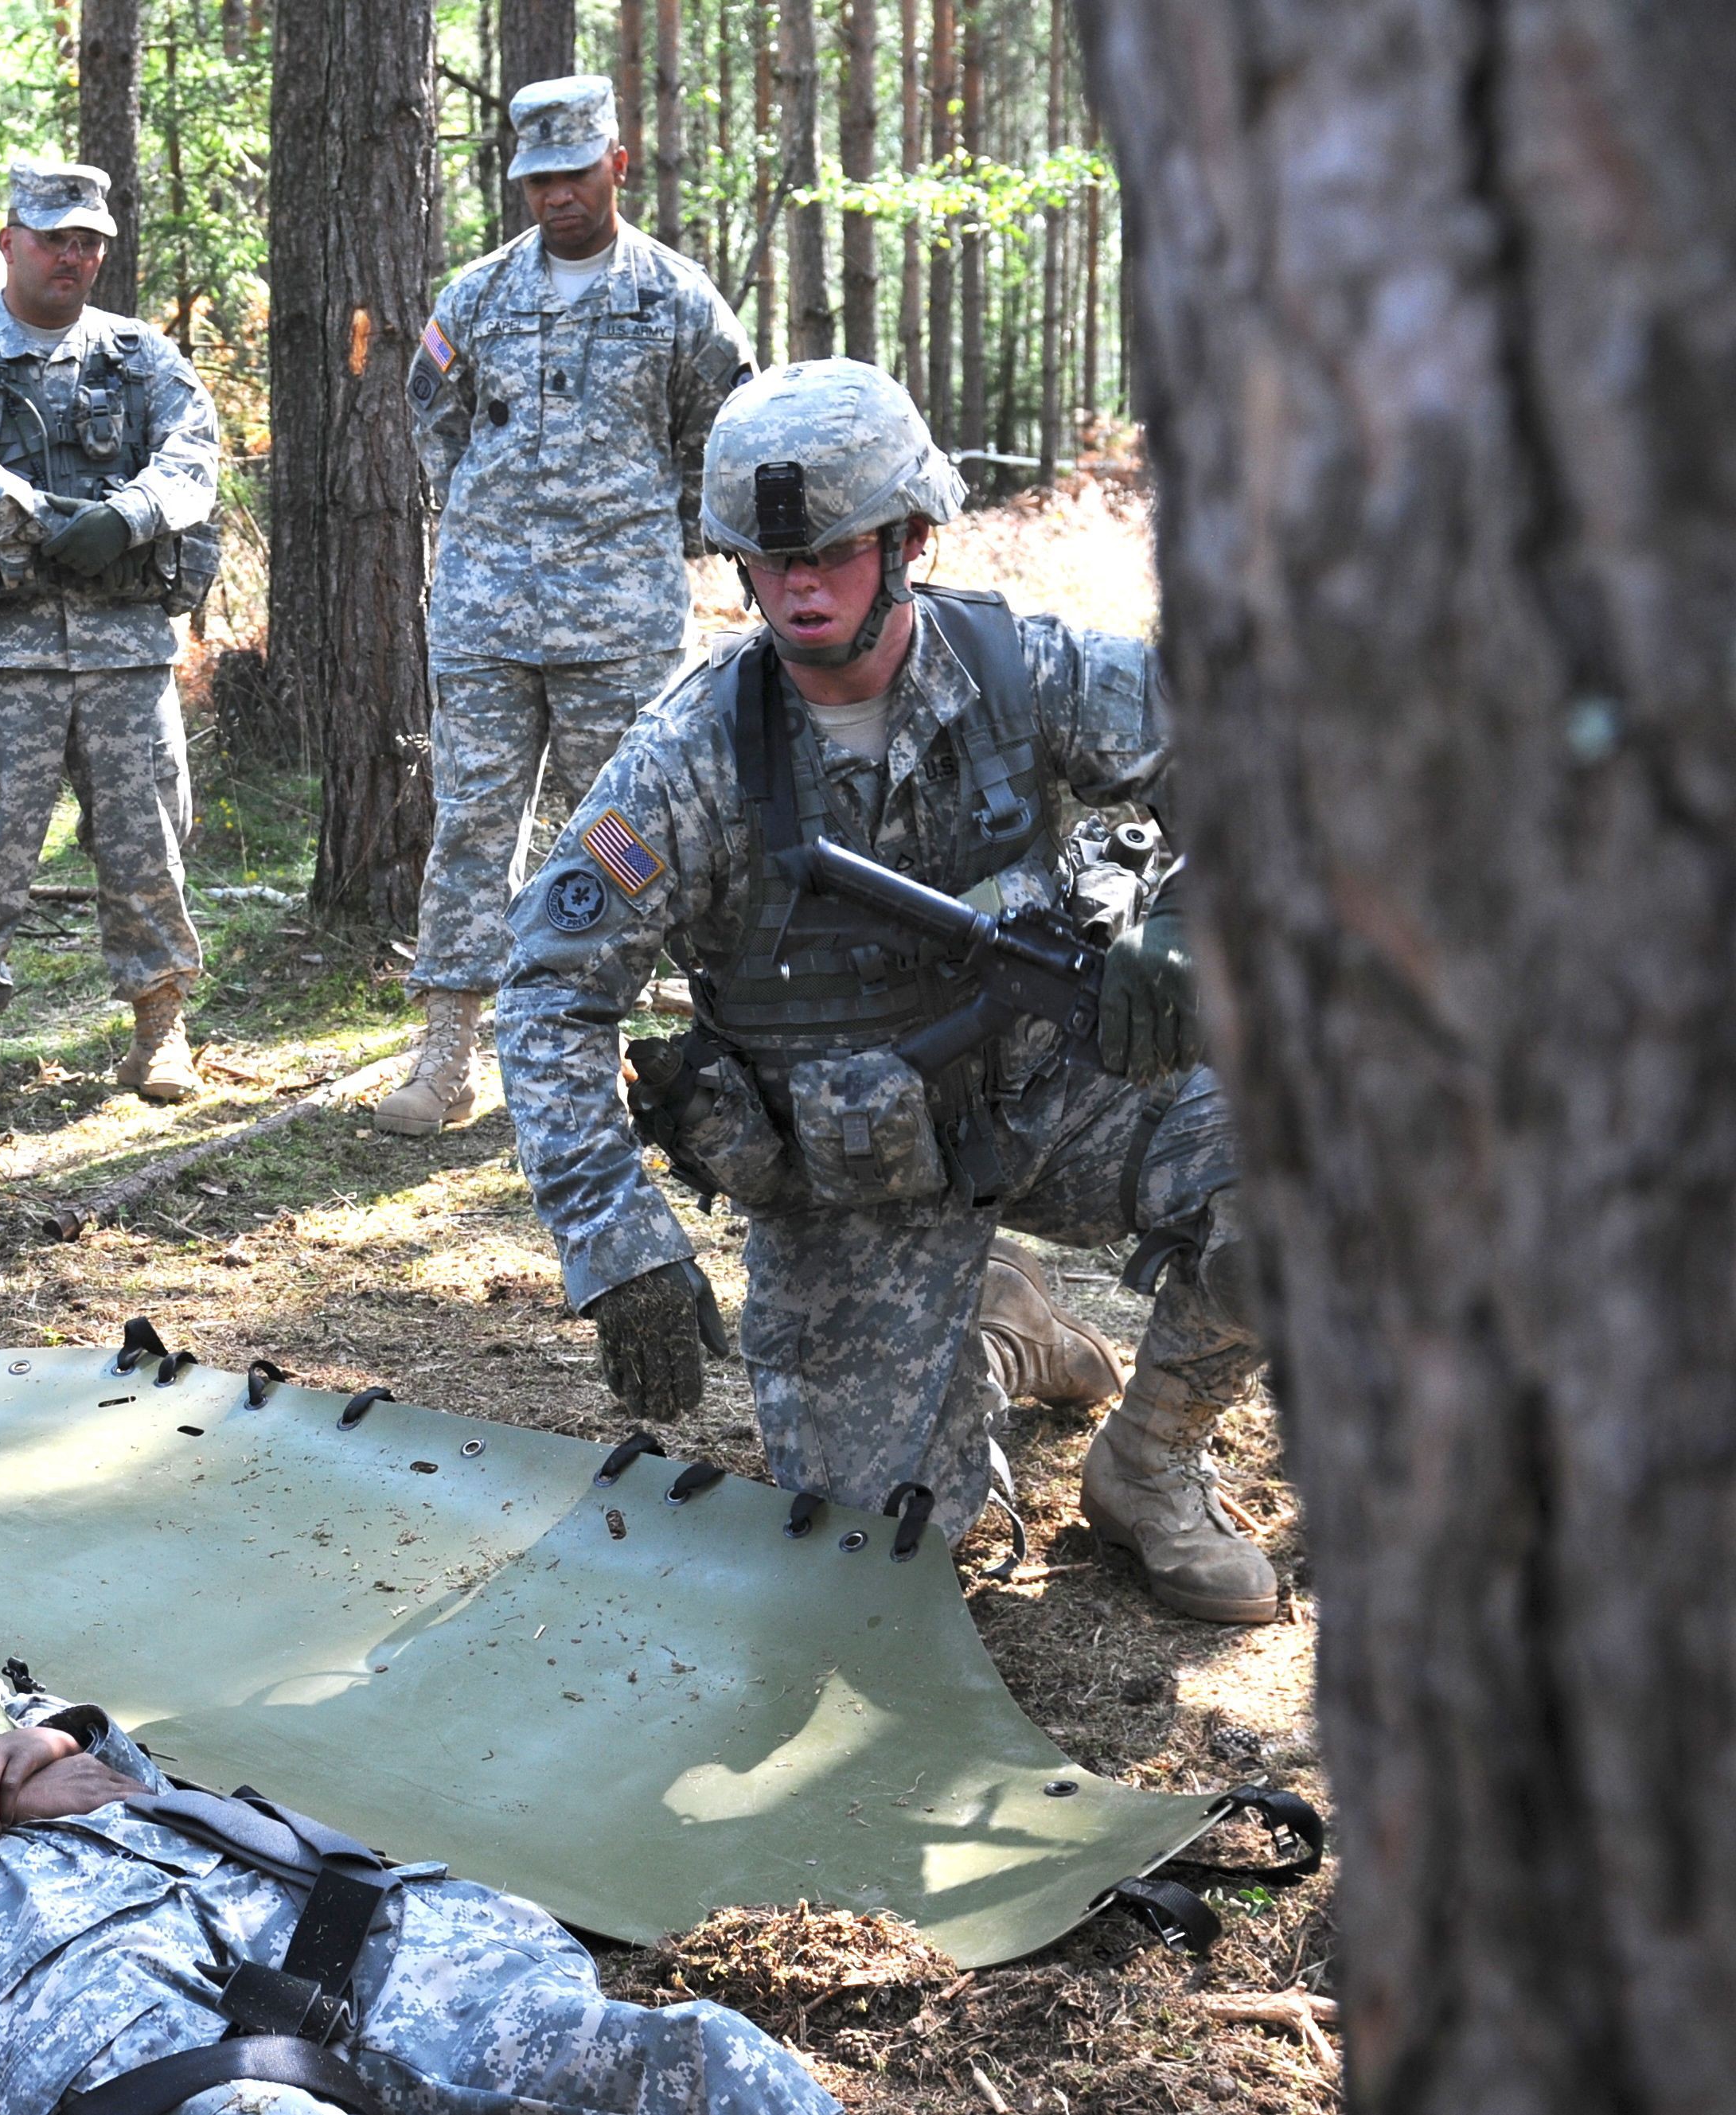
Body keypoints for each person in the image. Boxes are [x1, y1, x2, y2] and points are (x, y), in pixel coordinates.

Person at [493, 358, 1276, 1625]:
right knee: (876, 1558)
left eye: (836, 553)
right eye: (768, 558)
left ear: (909, 539)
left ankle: (1147, 1468)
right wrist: (615, 1241)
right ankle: (1001, 1333)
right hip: (852, 1174)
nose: (799, 587)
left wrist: (1186, 912)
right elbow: (548, 994)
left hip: (1054, 1097)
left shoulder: (1018, 670)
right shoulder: (687, 761)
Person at [0, 1664, 837, 2115]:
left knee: (703, 2062)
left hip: (318, 1923)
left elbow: (138, 1780)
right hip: (109, 2006)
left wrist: (64, 1741)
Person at [377, 77, 752, 1139]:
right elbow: (430, 408)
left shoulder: (677, 299)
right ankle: (449, 1052)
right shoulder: (478, 295)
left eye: (574, 174)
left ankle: (615, 1052)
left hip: (622, 622)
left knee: (626, 836)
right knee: (471, 827)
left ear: (617, 165)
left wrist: (652, 532)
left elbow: (718, 436)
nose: (556, 197)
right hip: (486, 618)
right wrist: (487, 514)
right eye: (537, 180)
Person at [0, 162, 222, 1124]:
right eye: (54, 237)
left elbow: (195, 454)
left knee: (147, 843)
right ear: (8, 242)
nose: (74, 255)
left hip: (122, 650)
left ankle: (160, 1024)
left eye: (89, 241)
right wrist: (41, 513)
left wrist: (131, 515)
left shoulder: (140, 356)